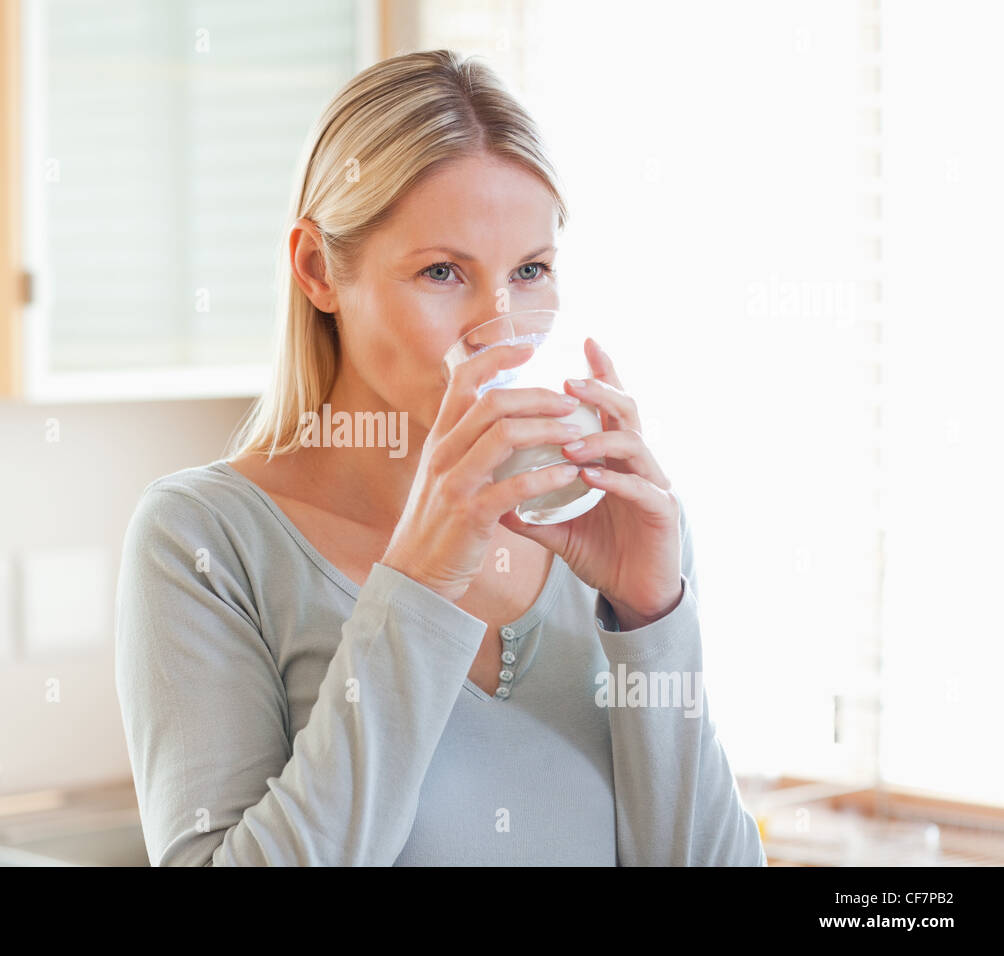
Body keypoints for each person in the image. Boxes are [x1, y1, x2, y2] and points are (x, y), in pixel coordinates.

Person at [115, 49, 766, 866]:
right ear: (318, 270)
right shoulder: (204, 543)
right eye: (442, 272)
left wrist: (652, 620)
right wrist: (419, 590)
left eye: (530, 271)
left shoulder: (608, 532)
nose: (502, 327)